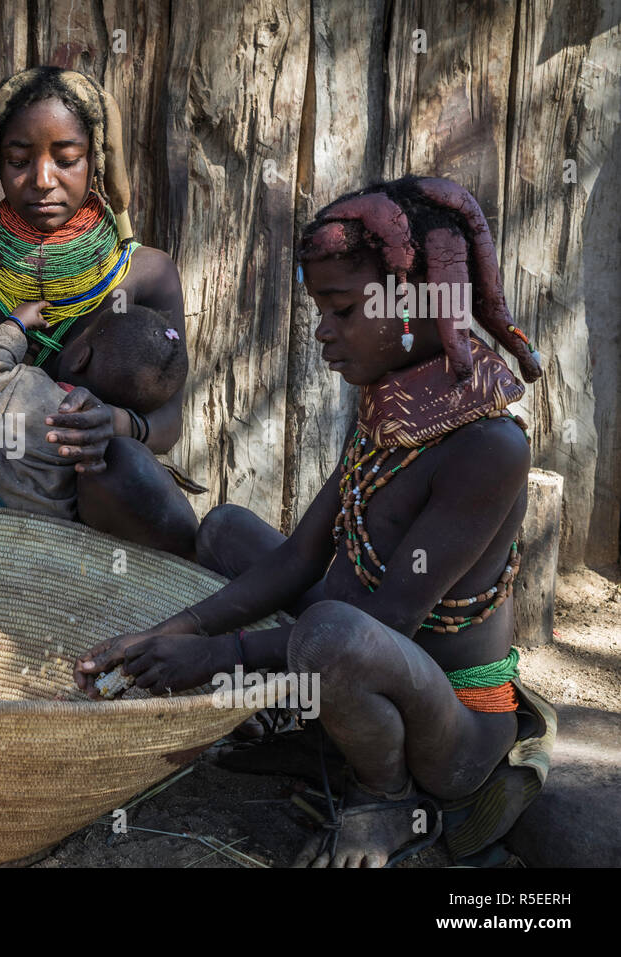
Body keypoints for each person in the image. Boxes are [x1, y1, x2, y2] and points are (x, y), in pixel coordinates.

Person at [76, 176, 556, 868]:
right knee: (227, 532)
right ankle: (311, 718)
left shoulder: (488, 445)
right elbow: (303, 553)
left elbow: (385, 618)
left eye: (340, 308)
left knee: (329, 636)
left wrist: (219, 657)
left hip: (449, 727)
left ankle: (386, 797)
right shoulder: (393, 407)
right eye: (319, 309)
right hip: (356, 646)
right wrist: (173, 631)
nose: (323, 331)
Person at [0, 66, 202, 558]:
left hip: (113, 520)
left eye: (67, 159)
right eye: (18, 159)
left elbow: (167, 425)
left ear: (95, 163)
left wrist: (116, 425)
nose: (42, 180)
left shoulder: (146, 276)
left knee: (118, 459)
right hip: (6, 519)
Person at [0, 299, 187, 522]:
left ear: (81, 358)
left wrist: (15, 324)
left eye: (82, 335)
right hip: (52, 535)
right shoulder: (106, 440)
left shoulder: (30, 391)